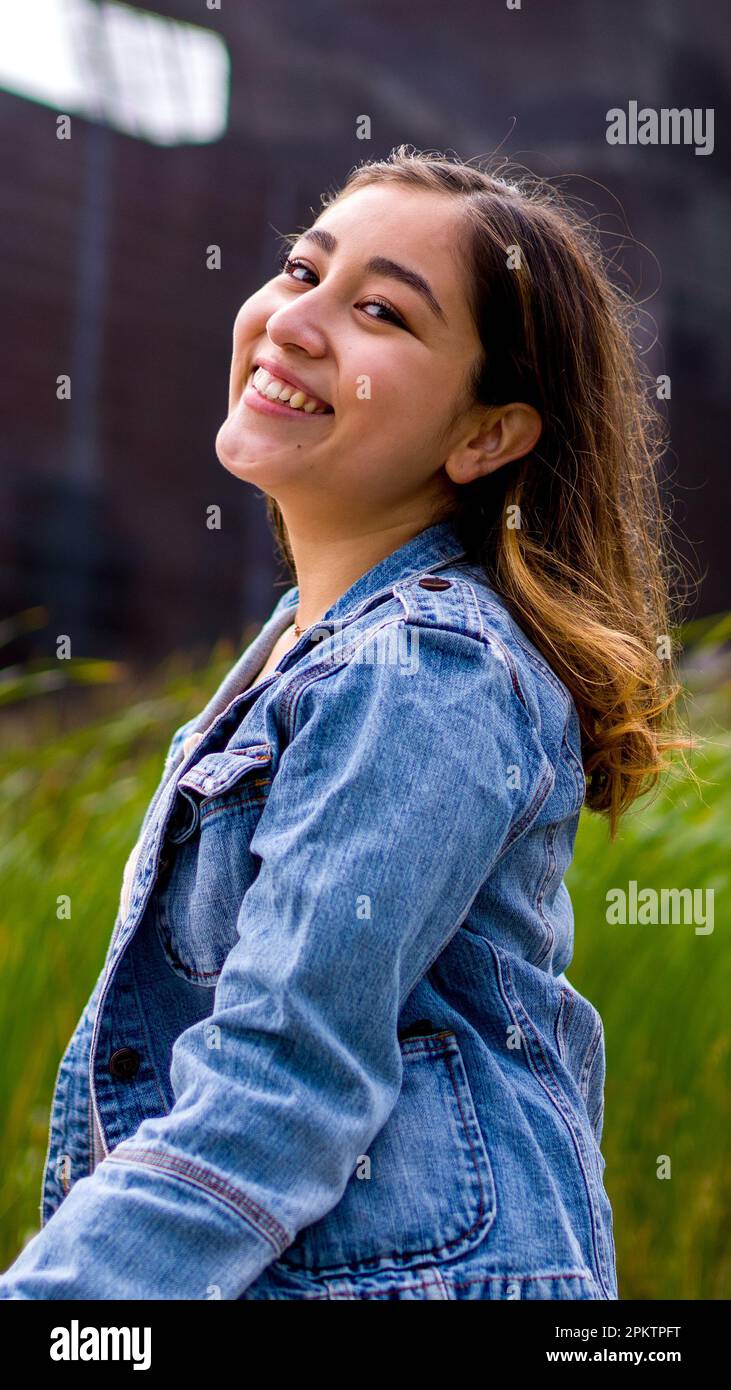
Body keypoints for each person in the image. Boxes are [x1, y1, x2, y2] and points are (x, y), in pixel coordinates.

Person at [0, 147, 687, 1301]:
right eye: (299, 269)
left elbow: (283, 1083)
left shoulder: (424, 663)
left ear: (484, 438)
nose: (296, 320)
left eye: (377, 309)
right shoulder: (314, 651)